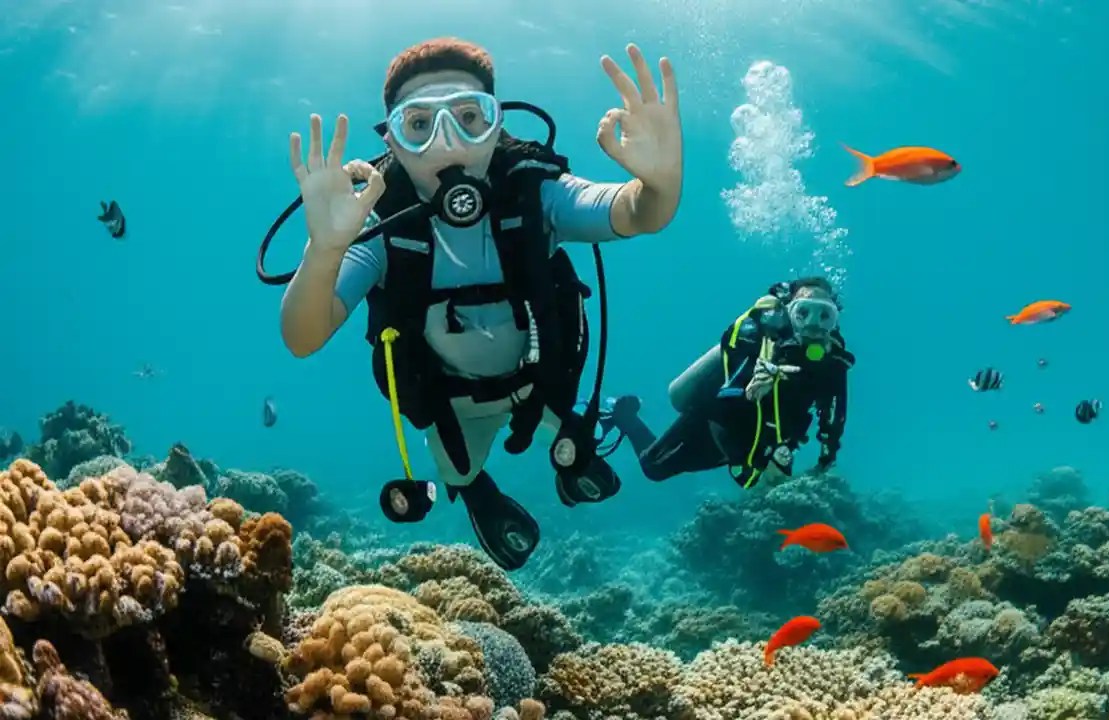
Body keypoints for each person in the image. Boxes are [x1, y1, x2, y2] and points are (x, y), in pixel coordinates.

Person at [274, 37, 683, 571]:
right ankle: (478, 493)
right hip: (452, 401)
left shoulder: (537, 192)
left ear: (496, 126)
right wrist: (326, 251)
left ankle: (570, 452)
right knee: (459, 470)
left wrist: (660, 183)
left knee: (571, 437)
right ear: (392, 142)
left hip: (543, 380)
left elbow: (637, 212)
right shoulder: (377, 222)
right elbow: (302, 337)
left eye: (469, 118)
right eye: (419, 125)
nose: (447, 143)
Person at [607, 277, 854, 488]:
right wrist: (751, 389)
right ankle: (624, 415)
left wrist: (825, 461)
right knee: (653, 469)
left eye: (824, 316)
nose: (812, 325)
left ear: (834, 321)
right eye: (803, 313)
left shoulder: (833, 361)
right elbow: (725, 401)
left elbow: (834, 415)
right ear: (789, 313)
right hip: (714, 422)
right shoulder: (756, 337)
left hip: (760, 439)